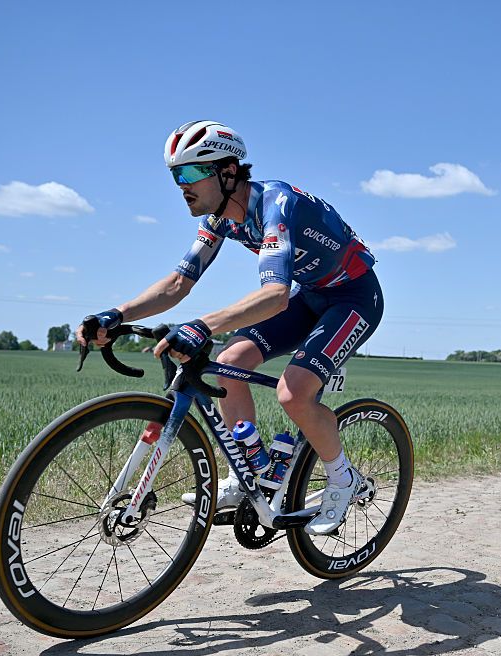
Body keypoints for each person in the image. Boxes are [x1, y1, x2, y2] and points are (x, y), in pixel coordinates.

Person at [76, 120, 382, 536]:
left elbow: (274, 294)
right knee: (227, 363)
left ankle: (343, 481)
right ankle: (246, 476)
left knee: (293, 393)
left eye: (189, 174)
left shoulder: (276, 204)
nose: (181, 185)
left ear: (228, 171)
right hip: (311, 294)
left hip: (354, 297)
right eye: (175, 176)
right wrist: (118, 314)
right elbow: (178, 283)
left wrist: (202, 325)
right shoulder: (221, 219)